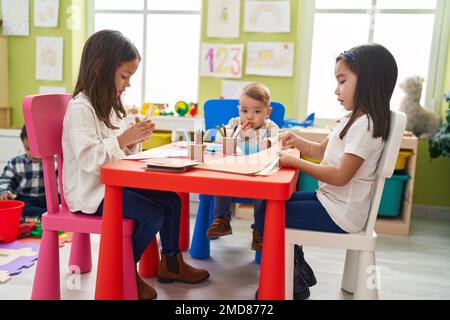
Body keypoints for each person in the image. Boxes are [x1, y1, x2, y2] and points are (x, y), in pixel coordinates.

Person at [62, 30, 209, 300]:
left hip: (111, 186)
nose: (127, 84)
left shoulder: (107, 107)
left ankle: (172, 264)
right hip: (90, 194)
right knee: (151, 214)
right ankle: (124, 270)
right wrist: (122, 139)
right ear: (100, 68)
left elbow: (120, 154)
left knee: (172, 202)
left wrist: (134, 139)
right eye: (124, 76)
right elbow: (89, 159)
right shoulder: (80, 108)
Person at [255, 43, 398, 300]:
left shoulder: (365, 126)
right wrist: (298, 141)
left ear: (368, 81)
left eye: (342, 81)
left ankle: (291, 280)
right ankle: (295, 267)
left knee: (270, 213)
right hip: (332, 203)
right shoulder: (353, 119)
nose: (336, 90)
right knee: (268, 205)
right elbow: (322, 151)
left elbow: (340, 176)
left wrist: (295, 162)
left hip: (339, 213)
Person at [207, 82, 280, 251]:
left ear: (267, 112)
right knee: (220, 178)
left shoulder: (270, 127)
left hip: (257, 174)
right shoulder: (234, 124)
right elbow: (220, 139)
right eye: (244, 111)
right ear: (238, 109)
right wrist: (235, 133)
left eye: (257, 111)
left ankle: (259, 230)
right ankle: (221, 220)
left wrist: (266, 143)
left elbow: (278, 141)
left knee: (264, 189)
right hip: (233, 172)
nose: (249, 117)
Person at [0, 125, 47, 221]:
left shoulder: (52, 162)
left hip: (47, 200)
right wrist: (5, 192)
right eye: (27, 148)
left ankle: (45, 215)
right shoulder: (16, 163)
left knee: (58, 206)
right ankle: (42, 215)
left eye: (35, 148)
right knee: (20, 206)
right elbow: (5, 180)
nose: (31, 153)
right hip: (25, 200)